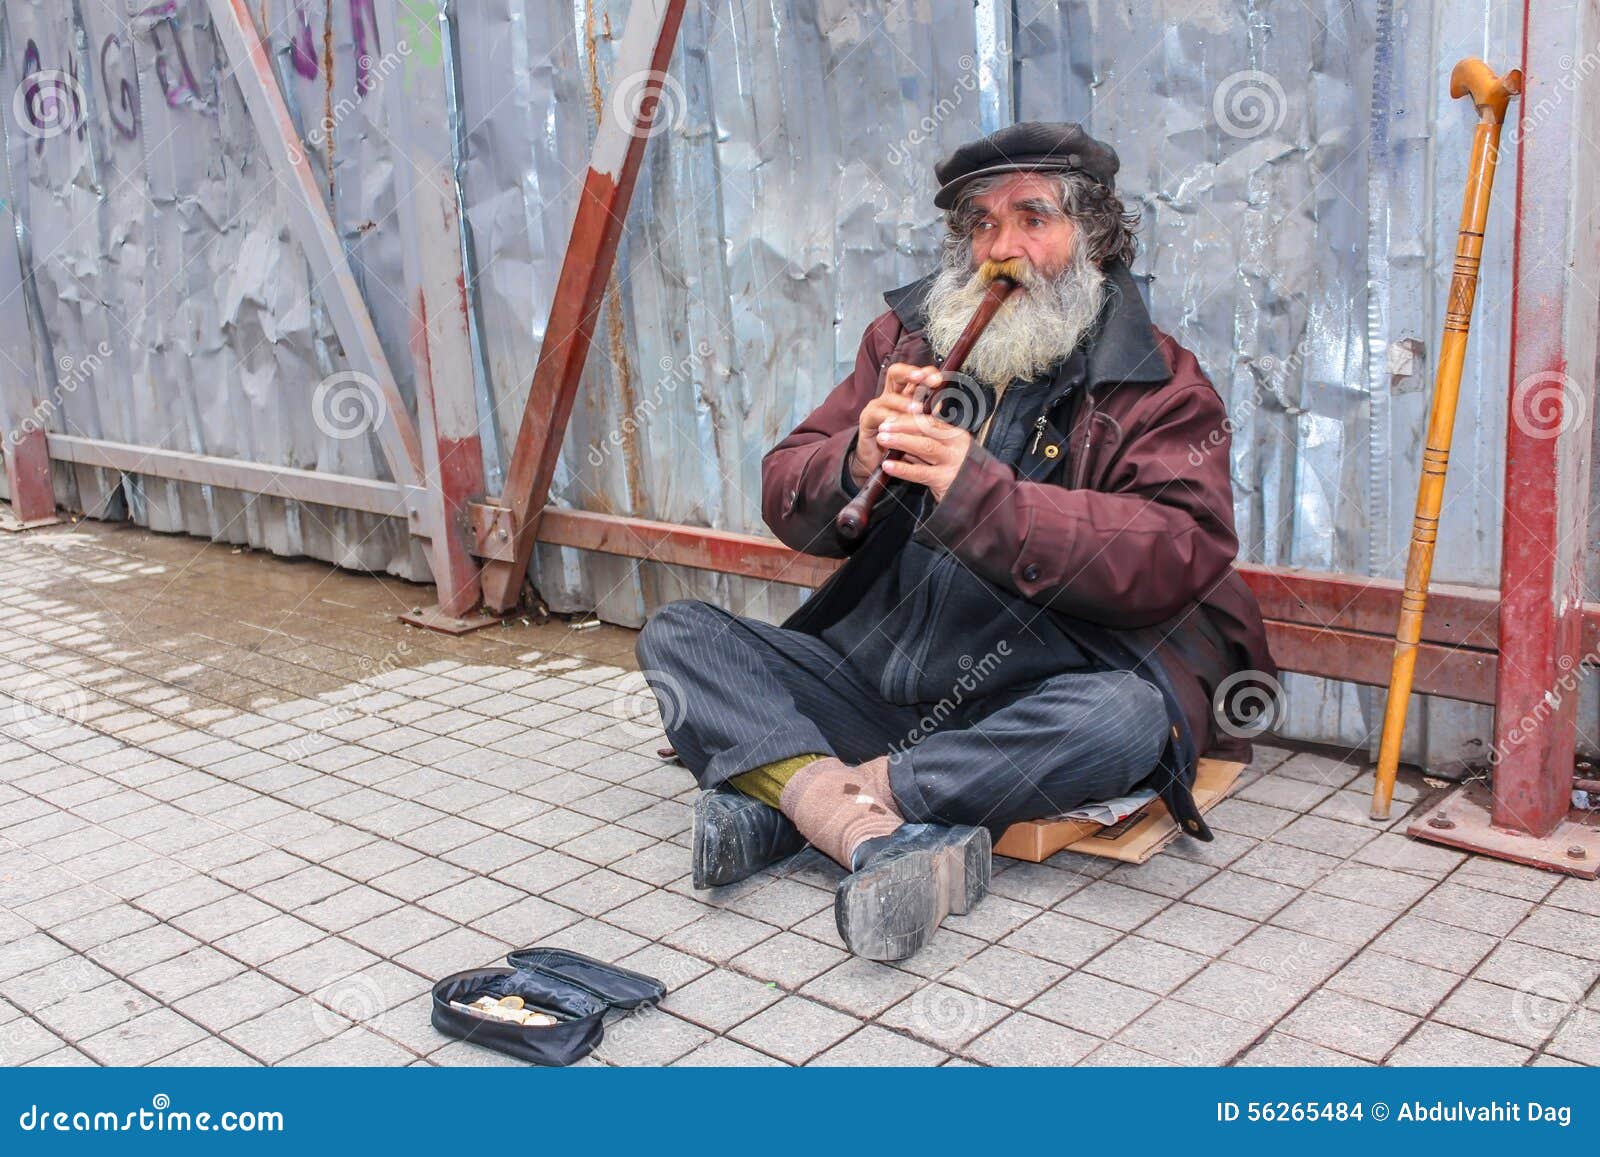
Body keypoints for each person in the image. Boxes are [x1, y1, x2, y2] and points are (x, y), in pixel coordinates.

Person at [636, 121, 1276, 961]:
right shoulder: (906, 343)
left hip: (1032, 697)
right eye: (980, 223)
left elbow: (1175, 550)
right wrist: (857, 456)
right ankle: (875, 823)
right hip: (877, 682)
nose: (1000, 250)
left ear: (1095, 237)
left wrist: (980, 493)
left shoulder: (1156, 380)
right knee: (681, 635)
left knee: (1128, 719)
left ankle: (811, 802)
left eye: (1032, 219)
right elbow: (787, 491)